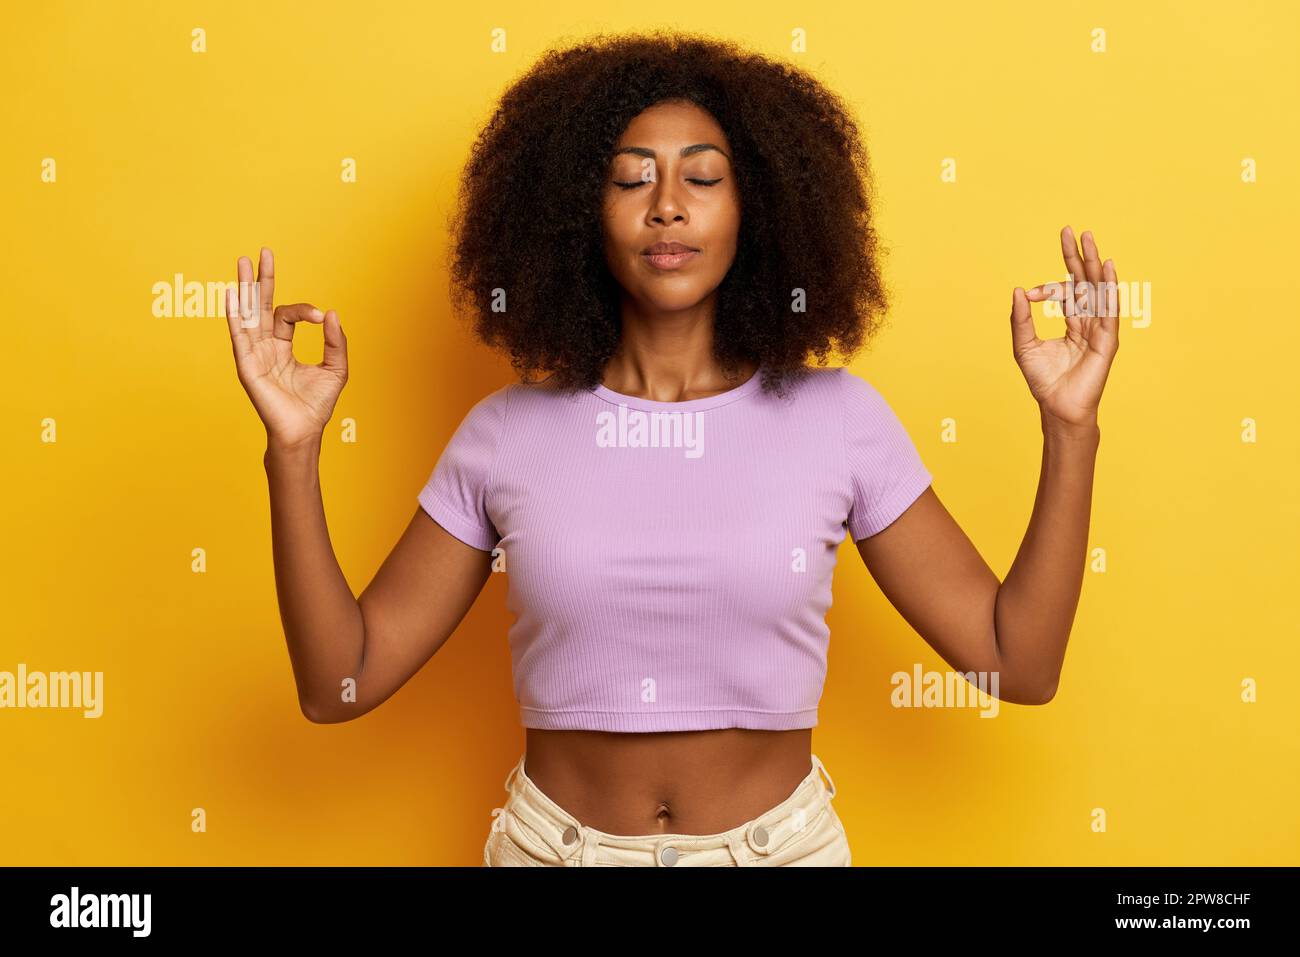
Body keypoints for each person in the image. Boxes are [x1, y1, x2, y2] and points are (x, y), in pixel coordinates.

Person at [222, 31, 1118, 867]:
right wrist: (293, 451)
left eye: (703, 177)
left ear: (757, 206)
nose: (666, 207)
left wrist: (1069, 428)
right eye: (629, 179)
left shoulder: (840, 419)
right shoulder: (506, 434)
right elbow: (337, 681)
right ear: (578, 211)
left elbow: (1021, 662)